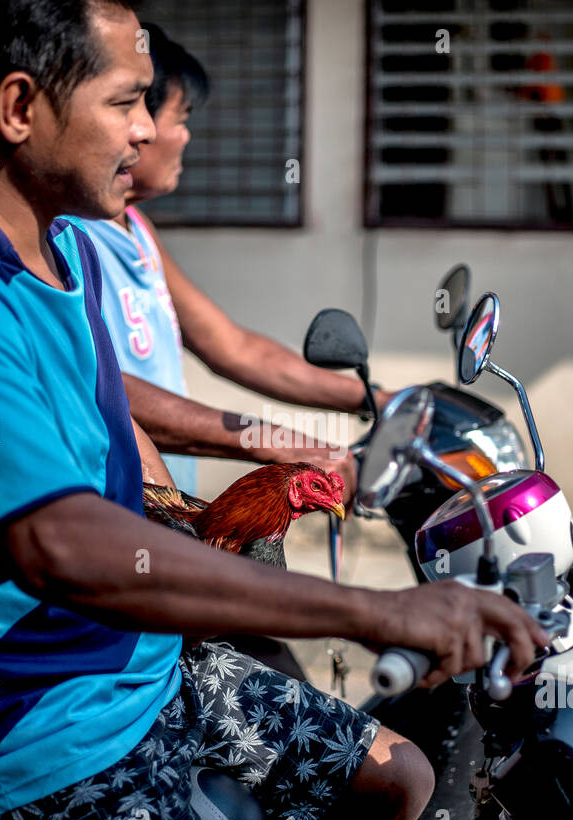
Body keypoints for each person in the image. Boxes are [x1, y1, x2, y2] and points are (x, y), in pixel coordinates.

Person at [0, 0, 546, 820]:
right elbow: (60, 544)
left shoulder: (51, 243)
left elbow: (96, 384)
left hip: (130, 667)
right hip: (30, 737)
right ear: (19, 111)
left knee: (398, 780)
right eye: (127, 102)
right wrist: (372, 610)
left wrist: (258, 437)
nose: (148, 131)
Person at [83, 23, 385, 497]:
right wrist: (275, 442)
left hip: (163, 508)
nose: (182, 136)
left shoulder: (135, 227)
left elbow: (233, 347)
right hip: (113, 512)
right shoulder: (68, 232)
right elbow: (95, 383)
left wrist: (374, 399)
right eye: (179, 117)